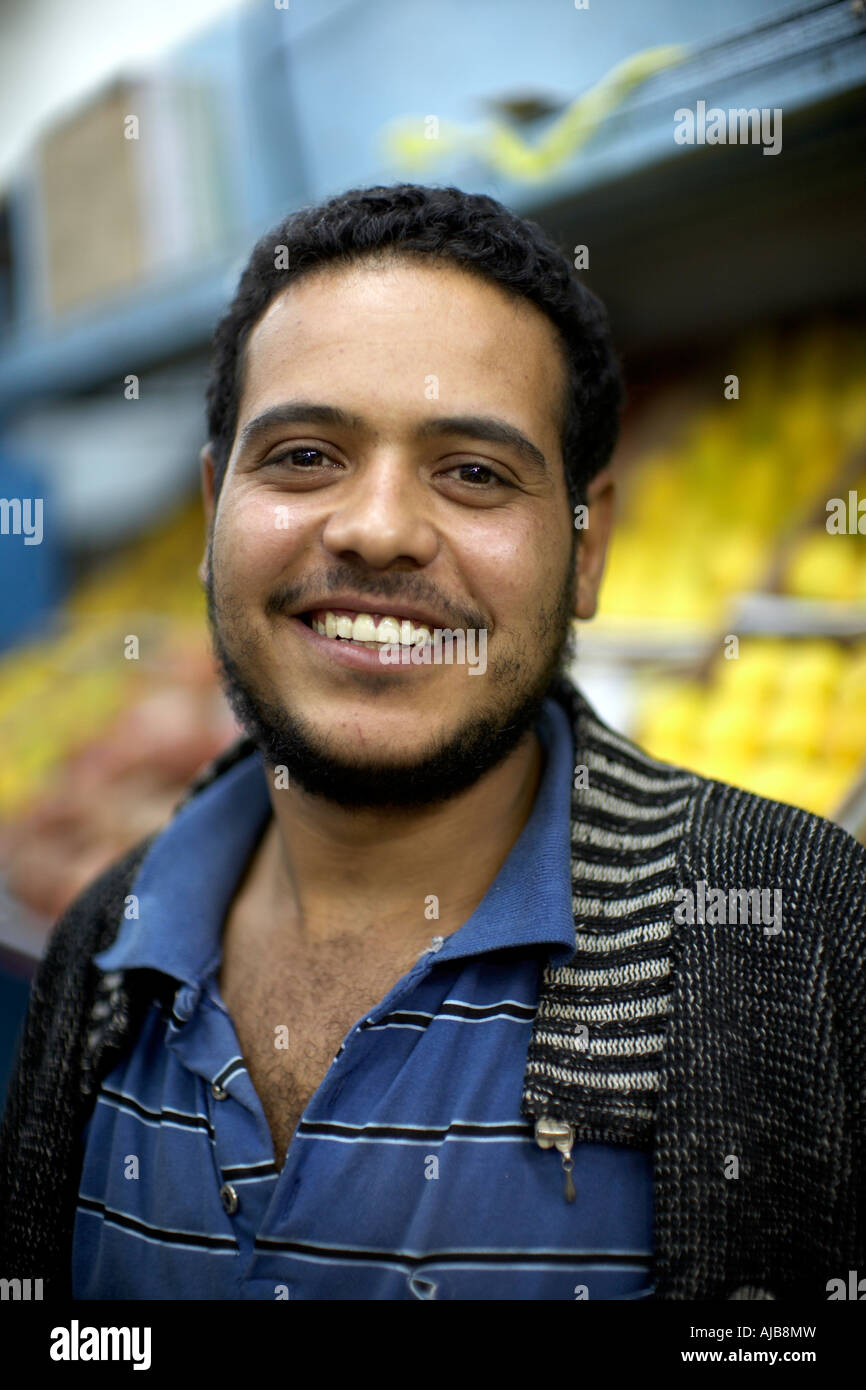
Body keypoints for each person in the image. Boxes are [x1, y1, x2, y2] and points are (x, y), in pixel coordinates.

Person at [1, 183, 863, 1302]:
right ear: (213, 518)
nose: (377, 529)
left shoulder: (802, 934)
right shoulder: (102, 946)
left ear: (588, 550)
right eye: (305, 454)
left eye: (472, 472)